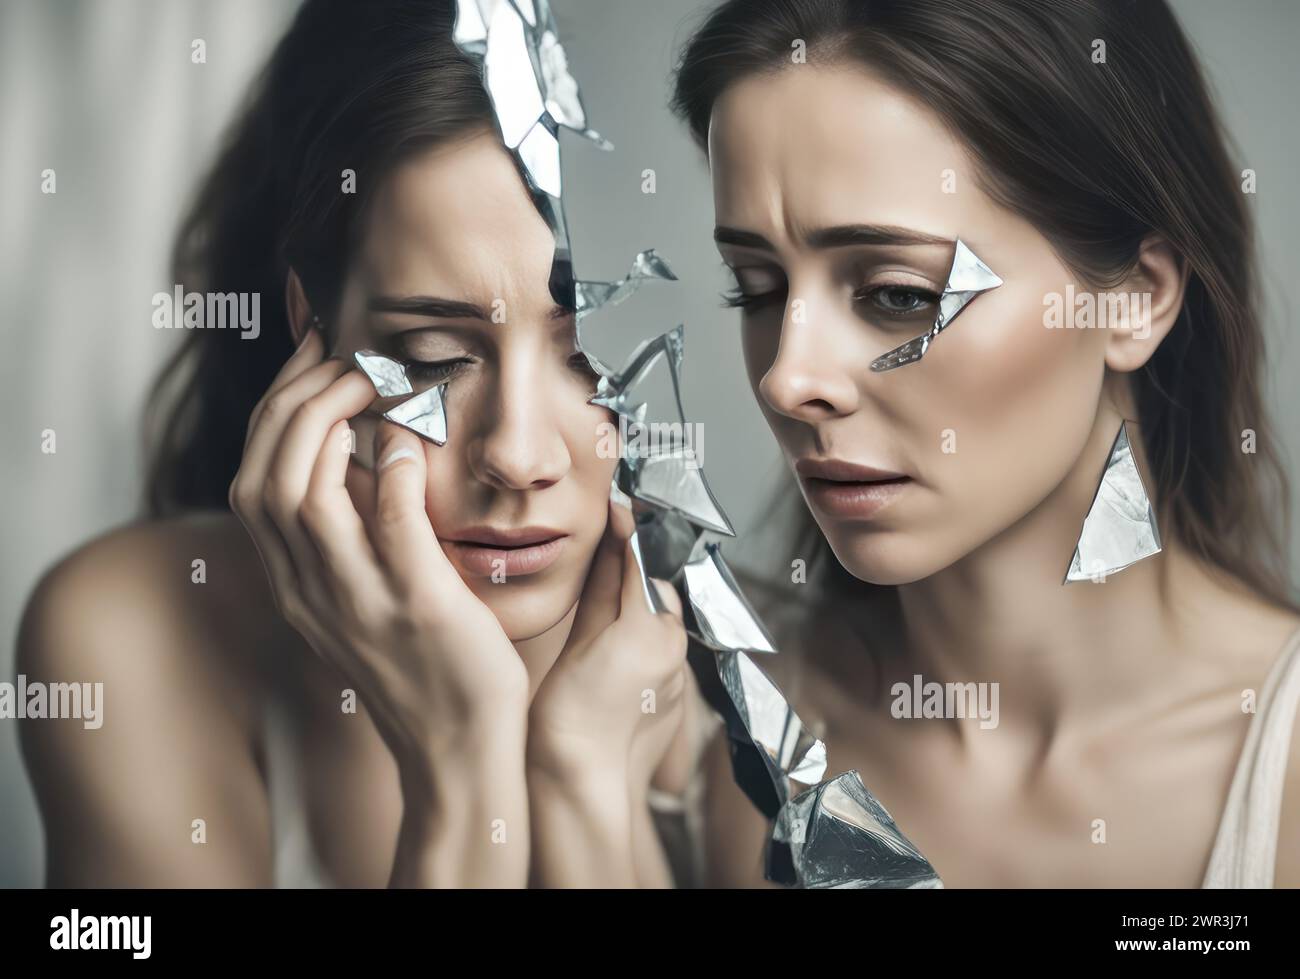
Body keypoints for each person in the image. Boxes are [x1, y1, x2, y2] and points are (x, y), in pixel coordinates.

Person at [18, 0, 697, 888]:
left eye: (595, 355)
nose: (520, 455)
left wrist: (582, 789)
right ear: (314, 332)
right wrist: (461, 769)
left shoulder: (777, 696)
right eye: (433, 357)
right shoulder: (130, 640)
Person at [671, 0, 1300, 887]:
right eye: (757, 286)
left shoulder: (1281, 768)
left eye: (897, 292)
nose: (786, 377)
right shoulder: (722, 737)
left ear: (1135, 300)